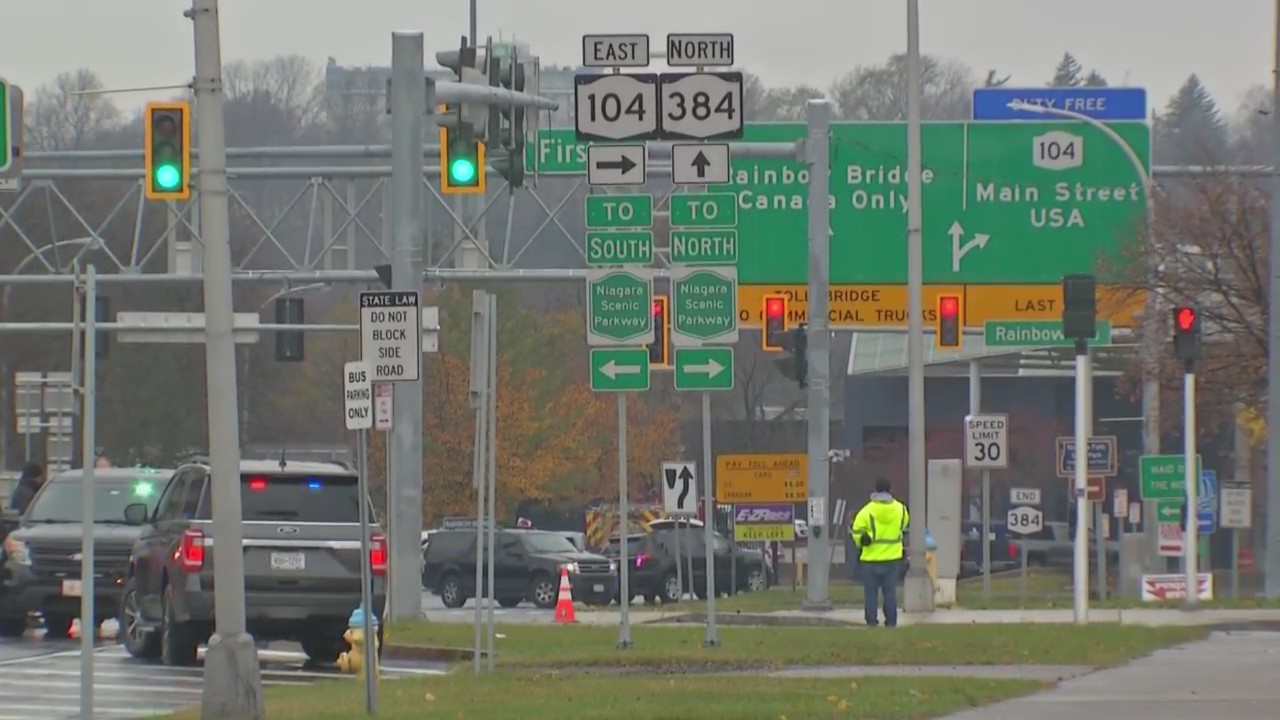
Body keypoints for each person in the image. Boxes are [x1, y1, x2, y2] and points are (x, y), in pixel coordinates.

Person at [850, 479, 910, 627]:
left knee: (870, 593)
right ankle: (891, 621)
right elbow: (904, 525)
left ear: (875, 490)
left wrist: (862, 540)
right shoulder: (901, 509)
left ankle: (871, 621)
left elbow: (856, 531)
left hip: (870, 558)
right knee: (890, 592)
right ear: (890, 490)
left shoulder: (866, 511)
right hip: (892, 558)